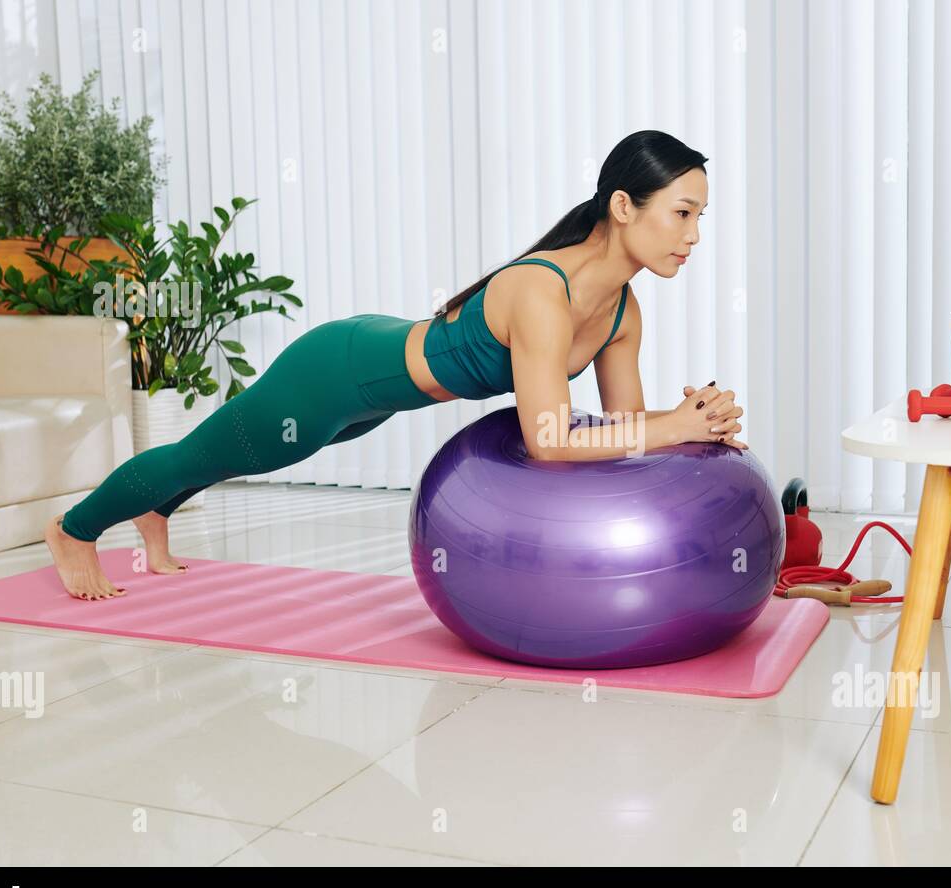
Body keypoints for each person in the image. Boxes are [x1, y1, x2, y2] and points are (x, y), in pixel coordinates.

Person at [45, 129, 745, 600]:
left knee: (242, 454)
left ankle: (156, 511)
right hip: (338, 371)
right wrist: (668, 426)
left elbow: (622, 428)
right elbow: (550, 441)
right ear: (624, 206)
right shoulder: (543, 292)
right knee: (216, 449)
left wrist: (696, 423)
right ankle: (74, 529)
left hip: (379, 395)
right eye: (683, 214)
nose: (694, 235)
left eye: (700, 218)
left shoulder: (624, 313)